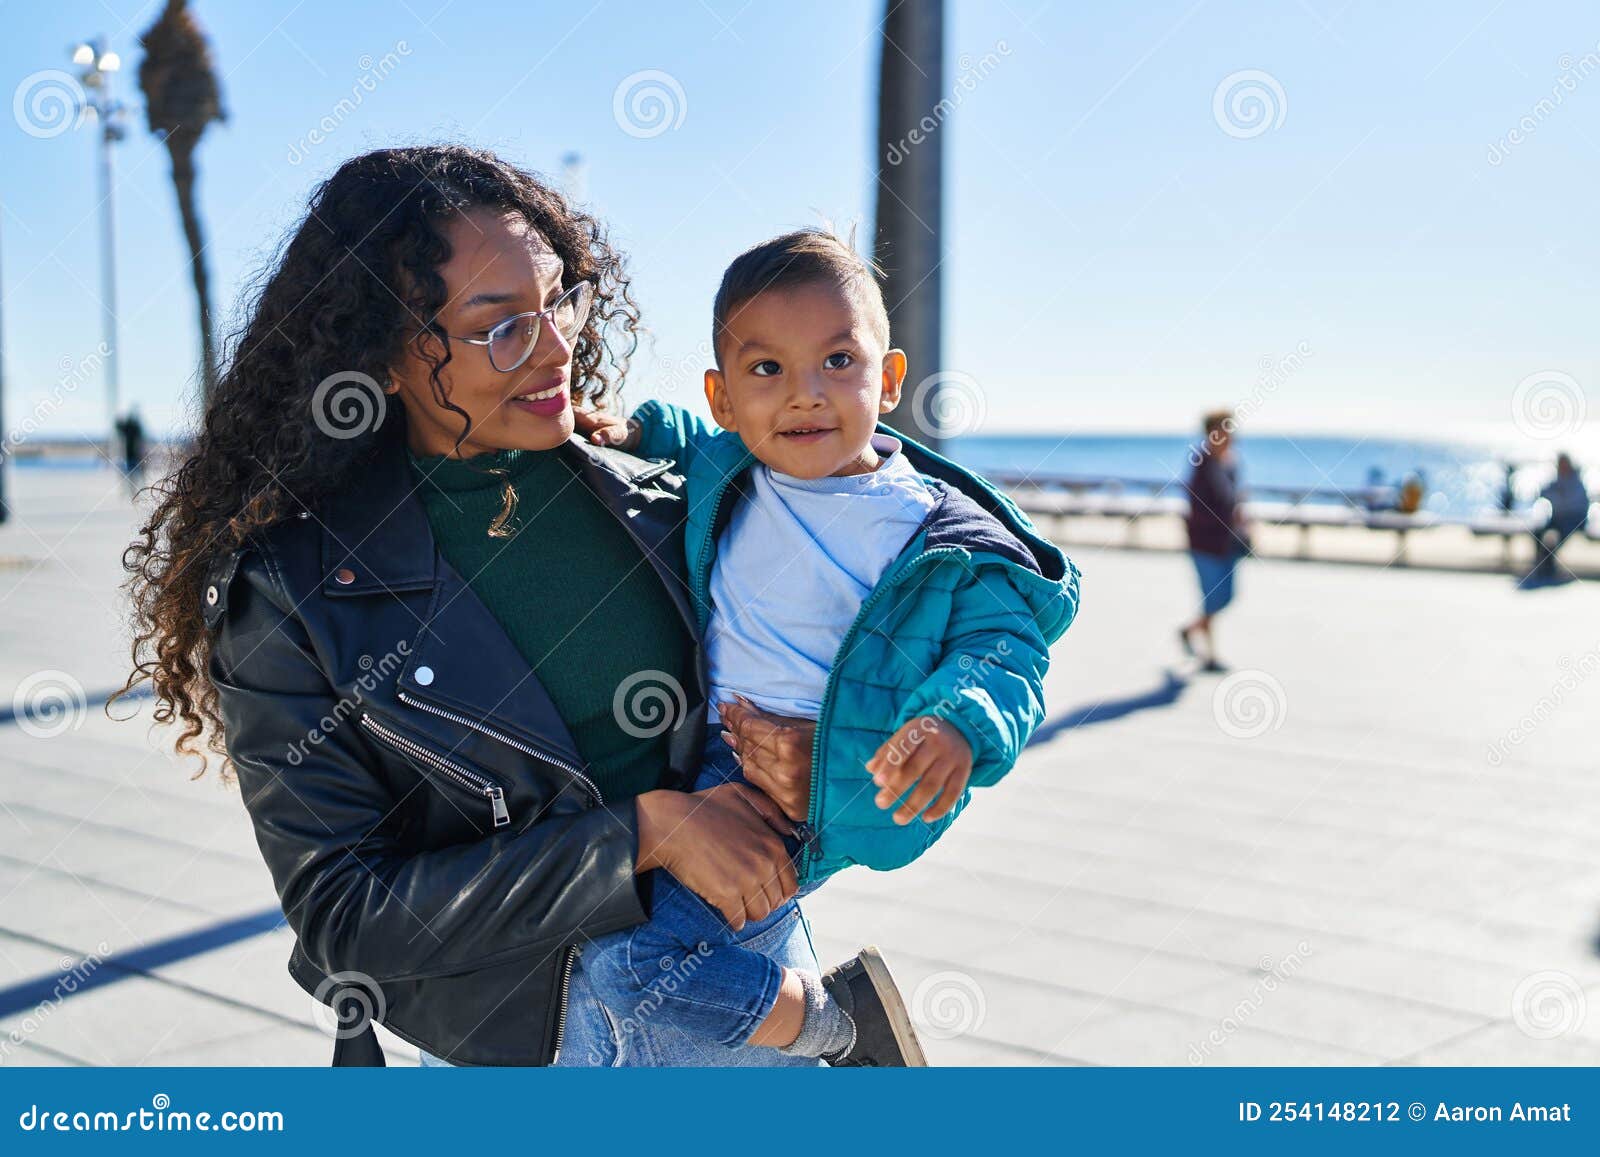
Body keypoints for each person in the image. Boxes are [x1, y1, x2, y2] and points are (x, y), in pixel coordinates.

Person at [117, 145, 834, 1068]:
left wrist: (819, 750)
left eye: (560, 302)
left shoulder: (662, 495)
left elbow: (896, 545)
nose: (555, 349)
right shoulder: (291, 590)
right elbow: (344, 913)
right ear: (381, 356)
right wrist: (644, 834)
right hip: (542, 1045)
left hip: (763, 984)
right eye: (500, 328)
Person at [575, 229, 1081, 1065]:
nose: (805, 393)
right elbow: (677, 438)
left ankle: (838, 1029)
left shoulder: (935, 530)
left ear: (888, 380)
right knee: (596, 925)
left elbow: (1007, 645)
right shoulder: (732, 468)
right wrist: (629, 431)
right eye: (767, 369)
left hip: (803, 795)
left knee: (632, 964)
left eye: (838, 362)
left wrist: (958, 722)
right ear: (725, 398)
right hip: (698, 757)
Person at [1178, 410, 1249, 672]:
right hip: (1204, 542)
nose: (1228, 436)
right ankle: (1209, 655)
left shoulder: (1231, 463)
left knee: (1226, 596)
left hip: (1228, 542)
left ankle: (1189, 630)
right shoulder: (1201, 462)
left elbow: (1236, 500)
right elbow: (1197, 505)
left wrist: (1243, 523)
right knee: (1211, 597)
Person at [1528, 452, 1590, 581]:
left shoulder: (1576, 481)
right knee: (1538, 531)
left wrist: (1558, 497)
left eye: (1563, 464)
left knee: (1556, 537)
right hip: (1558, 518)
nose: (1561, 467)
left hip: (1574, 519)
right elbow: (1544, 492)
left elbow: (1575, 504)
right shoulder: (1558, 480)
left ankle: (1548, 567)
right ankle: (1541, 564)